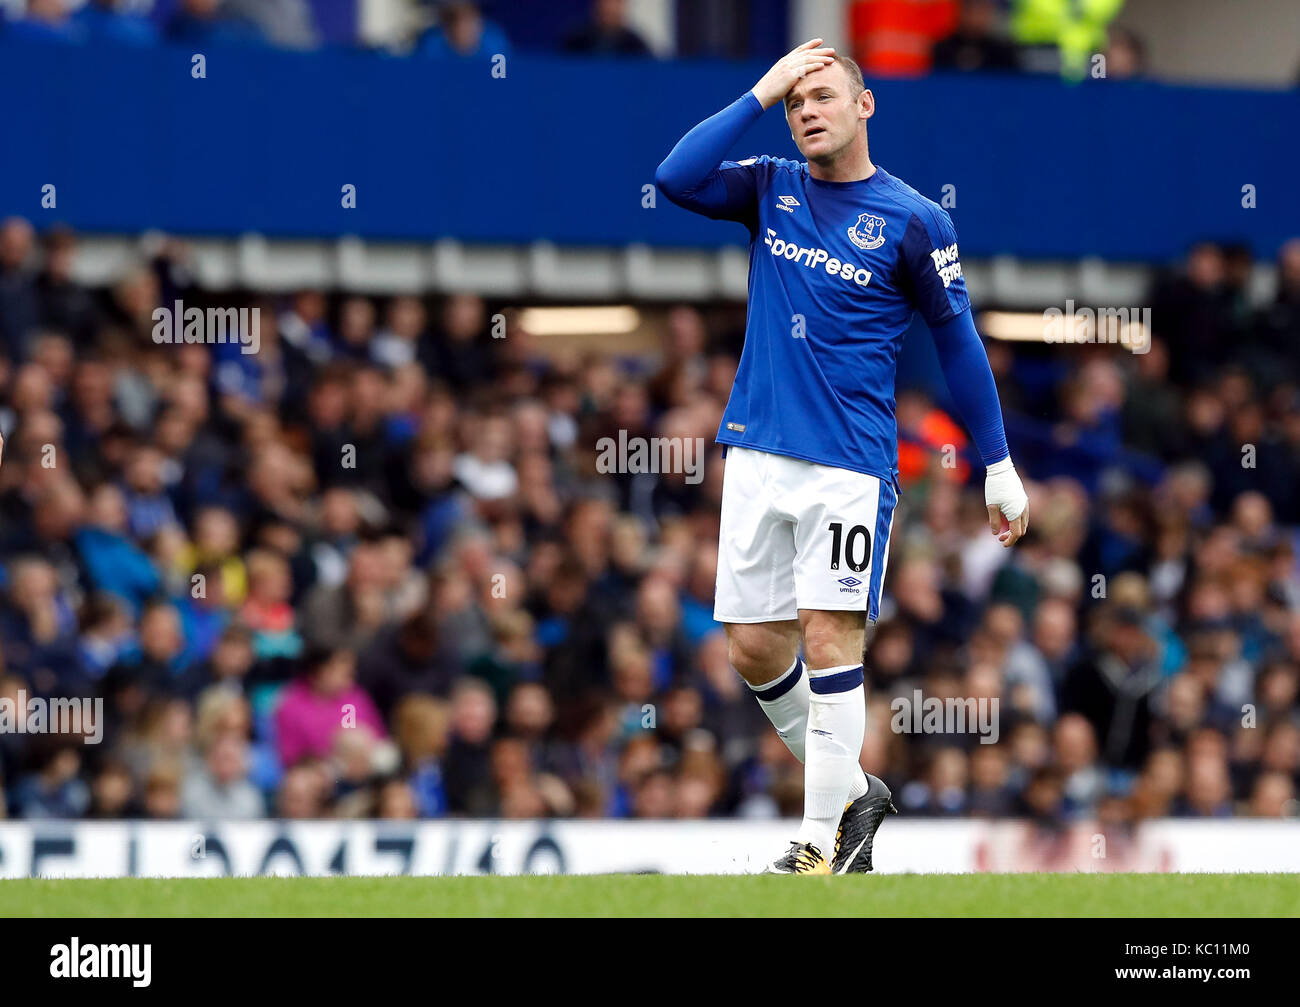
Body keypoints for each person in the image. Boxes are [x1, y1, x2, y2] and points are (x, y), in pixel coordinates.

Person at [655, 39, 1029, 873]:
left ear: (866, 106)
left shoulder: (914, 218)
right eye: (795, 102)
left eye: (822, 95)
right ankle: (856, 791)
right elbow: (675, 178)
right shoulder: (768, 185)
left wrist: (997, 465)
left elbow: (960, 344)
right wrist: (759, 89)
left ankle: (818, 845)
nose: (805, 111)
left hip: (850, 465)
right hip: (756, 450)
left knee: (829, 637)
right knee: (752, 647)